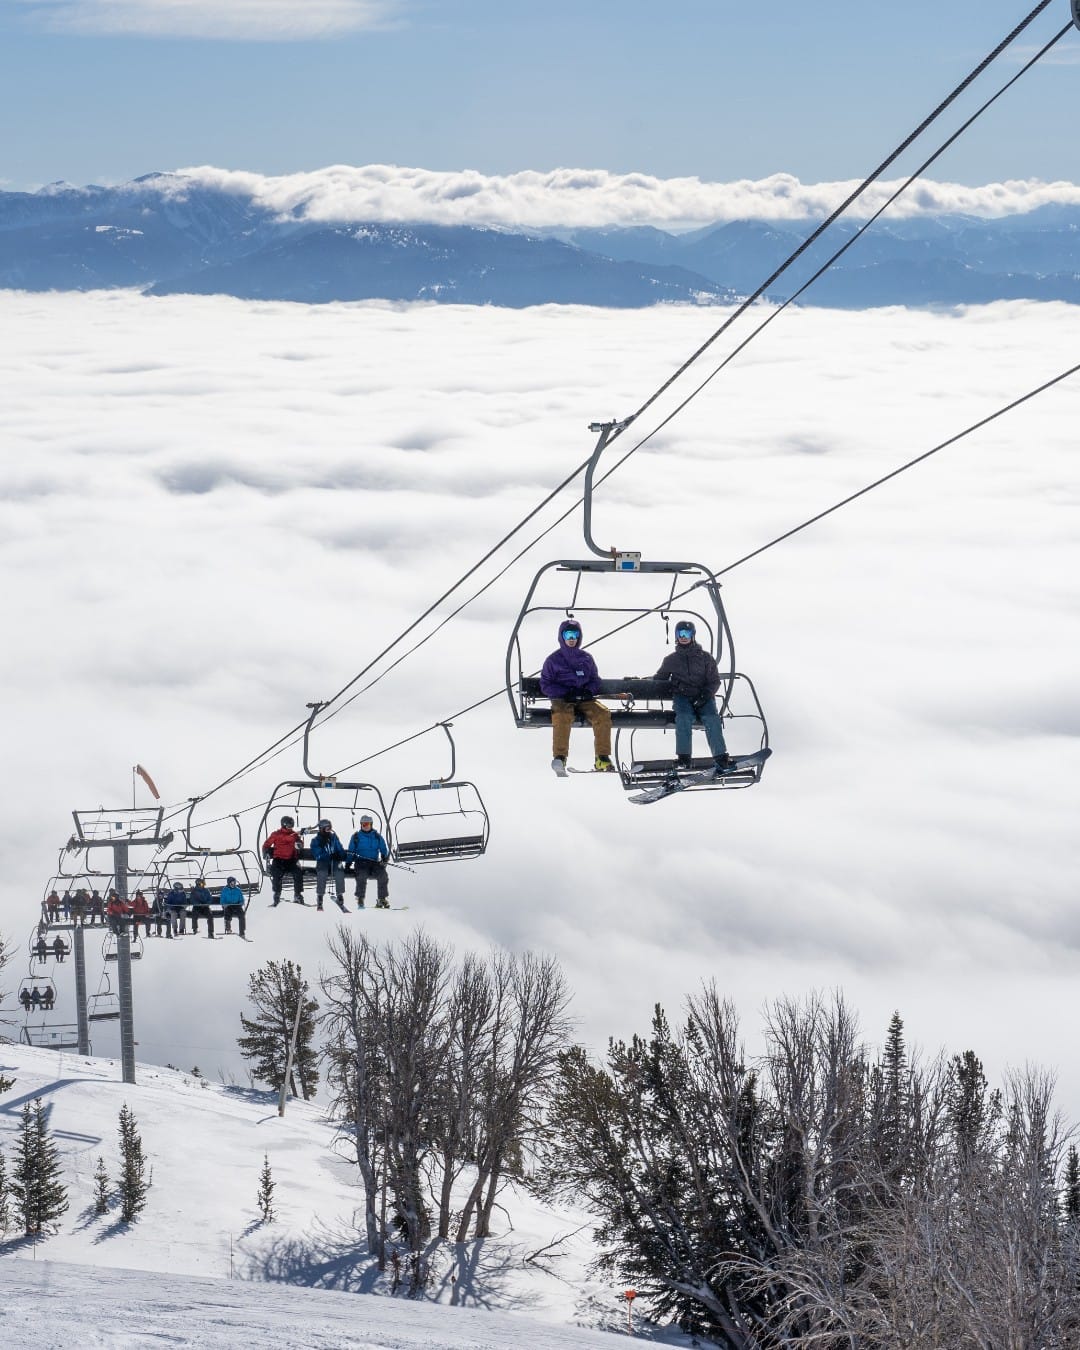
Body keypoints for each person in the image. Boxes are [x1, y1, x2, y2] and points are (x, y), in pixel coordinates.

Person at [655, 620, 735, 775]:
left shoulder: (705, 658)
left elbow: (714, 680)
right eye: (680, 634)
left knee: (711, 718)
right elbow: (660, 678)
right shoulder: (671, 660)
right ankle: (684, 758)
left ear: (693, 636)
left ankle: (720, 757)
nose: (683, 637)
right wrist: (641, 682)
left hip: (703, 696)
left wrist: (705, 695)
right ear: (676, 636)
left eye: (687, 634)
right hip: (682, 697)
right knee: (684, 717)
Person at [540, 620, 614, 776]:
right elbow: (545, 684)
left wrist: (588, 690)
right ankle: (560, 757)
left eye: (575, 634)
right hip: (563, 699)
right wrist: (564, 692)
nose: (572, 638)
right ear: (562, 637)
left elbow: (595, 679)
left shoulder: (586, 658)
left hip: (584, 698)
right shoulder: (553, 661)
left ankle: (602, 757)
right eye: (568, 634)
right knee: (561, 716)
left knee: (602, 714)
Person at [348, 814, 391, 909]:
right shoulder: (356, 837)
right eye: (363, 824)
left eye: (367, 824)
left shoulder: (377, 836)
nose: (365, 826)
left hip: (374, 862)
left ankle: (382, 899)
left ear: (371, 824)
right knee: (362, 875)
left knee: (383, 875)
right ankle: (360, 898)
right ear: (361, 825)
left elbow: (383, 848)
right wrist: (348, 863)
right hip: (361, 862)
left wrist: (384, 857)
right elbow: (351, 851)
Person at [262, 815, 305, 906]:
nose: (290, 828)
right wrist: (266, 852)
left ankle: (297, 894)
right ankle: (277, 894)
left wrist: (299, 844)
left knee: (298, 873)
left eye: (292, 826)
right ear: (284, 825)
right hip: (279, 860)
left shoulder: (294, 835)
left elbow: (299, 843)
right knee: (276, 873)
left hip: (291, 860)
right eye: (289, 826)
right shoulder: (276, 834)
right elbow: (267, 844)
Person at [310, 820, 348, 912]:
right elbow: (317, 854)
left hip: (334, 861)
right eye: (327, 829)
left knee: (339, 872)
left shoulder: (334, 838)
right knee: (322, 873)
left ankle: (339, 894)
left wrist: (341, 855)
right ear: (322, 829)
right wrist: (327, 855)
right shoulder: (316, 841)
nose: (329, 831)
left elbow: (339, 848)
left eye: (330, 828)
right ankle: (320, 896)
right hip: (323, 862)